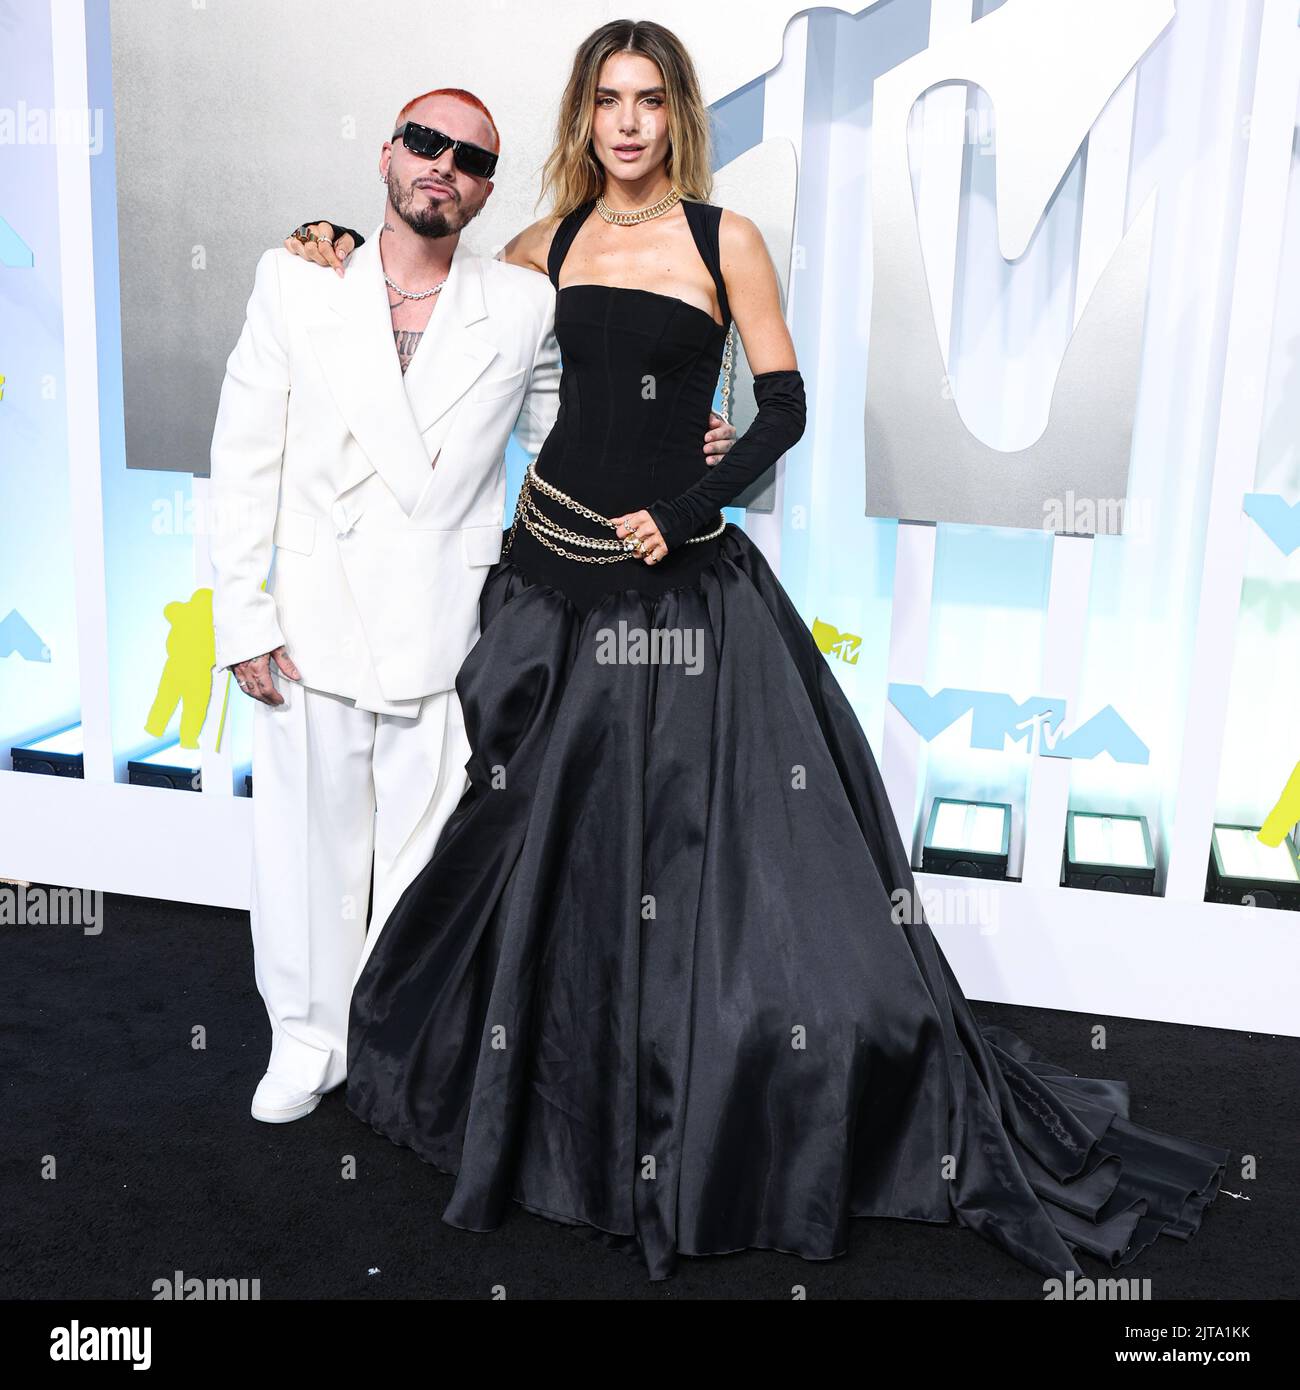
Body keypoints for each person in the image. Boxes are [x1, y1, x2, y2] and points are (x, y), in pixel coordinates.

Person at [288, 19, 1230, 1281]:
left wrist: (687, 509)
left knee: (690, 863)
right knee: (535, 844)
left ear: (677, 114)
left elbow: (780, 406)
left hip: (679, 594)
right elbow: (428, 294)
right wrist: (334, 245)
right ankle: (542, 1097)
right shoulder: (539, 245)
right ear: (584, 115)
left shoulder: (721, 238)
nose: (628, 123)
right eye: (607, 100)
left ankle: (682, 1107)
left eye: (648, 100)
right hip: (547, 578)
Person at [209, 82, 738, 1126]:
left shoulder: (522, 301)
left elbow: (571, 427)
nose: (443, 165)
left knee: (426, 858)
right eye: (425, 141)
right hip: (310, 615)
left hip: (448, 618)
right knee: (305, 849)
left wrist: (692, 438)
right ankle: (304, 1037)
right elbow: (241, 455)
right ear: (386, 153)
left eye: (472, 158)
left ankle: (385, 1035)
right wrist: (241, 615)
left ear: (490, 190)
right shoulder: (296, 279)